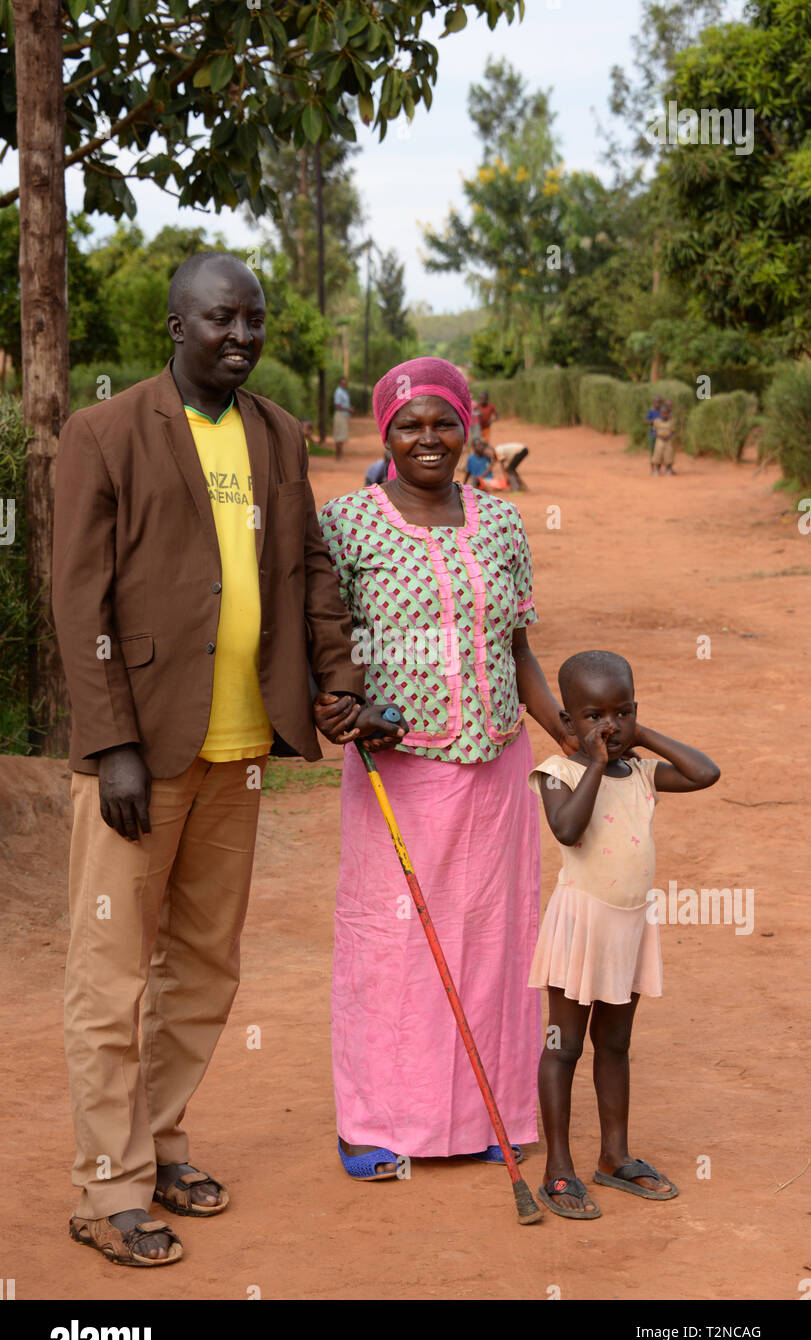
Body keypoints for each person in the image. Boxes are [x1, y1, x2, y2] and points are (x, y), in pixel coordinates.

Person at [51, 251, 402, 1267]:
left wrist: (336, 684)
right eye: (221, 320)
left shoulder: (277, 435)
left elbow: (312, 573)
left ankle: (158, 1144)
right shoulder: (104, 432)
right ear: (175, 326)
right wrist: (111, 740)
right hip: (141, 754)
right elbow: (79, 600)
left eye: (254, 321)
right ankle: (104, 1188)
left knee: (202, 968)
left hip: (242, 748)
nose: (242, 338)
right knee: (109, 974)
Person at [316, 355, 576, 1181]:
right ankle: (374, 1123)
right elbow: (323, 640)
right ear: (385, 431)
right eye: (409, 424)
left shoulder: (499, 525)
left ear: (468, 427)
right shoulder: (347, 524)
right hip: (401, 772)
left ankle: (485, 1114)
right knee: (390, 946)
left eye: (443, 423)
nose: (427, 438)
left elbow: (518, 645)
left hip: (496, 768)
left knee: (496, 941)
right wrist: (340, 708)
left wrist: (568, 735)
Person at [528, 650, 720, 1217]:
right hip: (580, 925)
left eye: (621, 713)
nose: (607, 726)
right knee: (562, 1046)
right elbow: (567, 829)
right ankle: (558, 1169)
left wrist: (642, 736)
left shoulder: (639, 771)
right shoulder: (558, 773)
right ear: (567, 722)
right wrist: (591, 760)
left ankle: (615, 1157)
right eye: (592, 716)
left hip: (629, 926)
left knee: (614, 1044)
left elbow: (704, 773)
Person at [651, 400, 676, 475]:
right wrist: (659, 436)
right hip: (659, 441)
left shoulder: (671, 422)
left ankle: (668, 469)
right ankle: (657, 470)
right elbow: (654, 431)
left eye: (666, 413)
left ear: (669, 414)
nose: (664, 415)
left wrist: (669, 437)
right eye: (662, 413)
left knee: (668, 455)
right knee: (658, 455)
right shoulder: (656, 422)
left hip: (668, 441)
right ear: (660, 413)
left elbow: (672, 431)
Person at [332, 376, 353, 459]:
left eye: (346, 383)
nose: (345, 384)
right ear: (340, 383)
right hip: (340, 415)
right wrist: (349, 409)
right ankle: (339, 456)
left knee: (341, 436)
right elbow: (337, 406)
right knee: (339, 437)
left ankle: (339, 455)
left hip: (344, 415)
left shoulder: (344, 392)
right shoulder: (339, 392)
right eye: (343, 383)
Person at [645, 396, 662, 470]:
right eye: (656, 402)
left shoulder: (662, 411)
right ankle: (652, 468)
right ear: (653, 402)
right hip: (653, 435)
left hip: (661, 435)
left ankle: (658, 468)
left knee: (660, 452)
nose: (657, 404)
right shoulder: (651, 411)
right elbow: (646, 421)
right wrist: (654, 421)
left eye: (659, 402)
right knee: (653, 452)